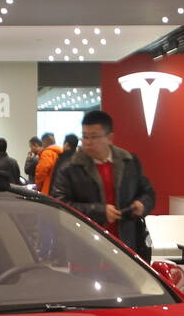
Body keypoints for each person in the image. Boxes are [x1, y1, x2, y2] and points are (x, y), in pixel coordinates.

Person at [52, 109, 156, 259]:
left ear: (110, 137)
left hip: (125, 248)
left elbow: (148, 192)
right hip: (85, 250)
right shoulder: (69, 167)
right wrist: (99, 211)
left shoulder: (129, 162)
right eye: (85, 136)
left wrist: (142, 204)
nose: (87, 142)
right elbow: (59, 205)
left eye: (93, 137)